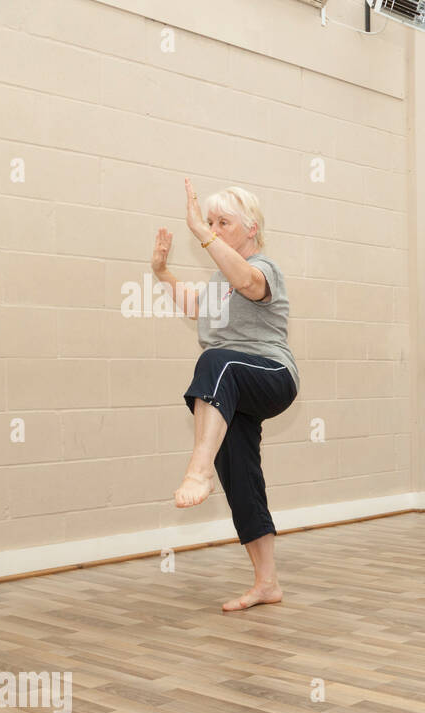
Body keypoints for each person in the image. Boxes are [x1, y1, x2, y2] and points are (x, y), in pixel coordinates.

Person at [151, 179, 299, 611]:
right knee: (239, 473)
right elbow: (196, 306)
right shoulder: (219, 281)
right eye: (211, 221)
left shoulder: (265, 268)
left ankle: (198, 468)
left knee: (217, 361)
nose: (214, 228)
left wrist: (201, 231)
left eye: (223, 223)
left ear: (250, 228)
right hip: (232, 389)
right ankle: (266, 582)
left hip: (270, 375)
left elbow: (250, 284)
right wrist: (161, 272)